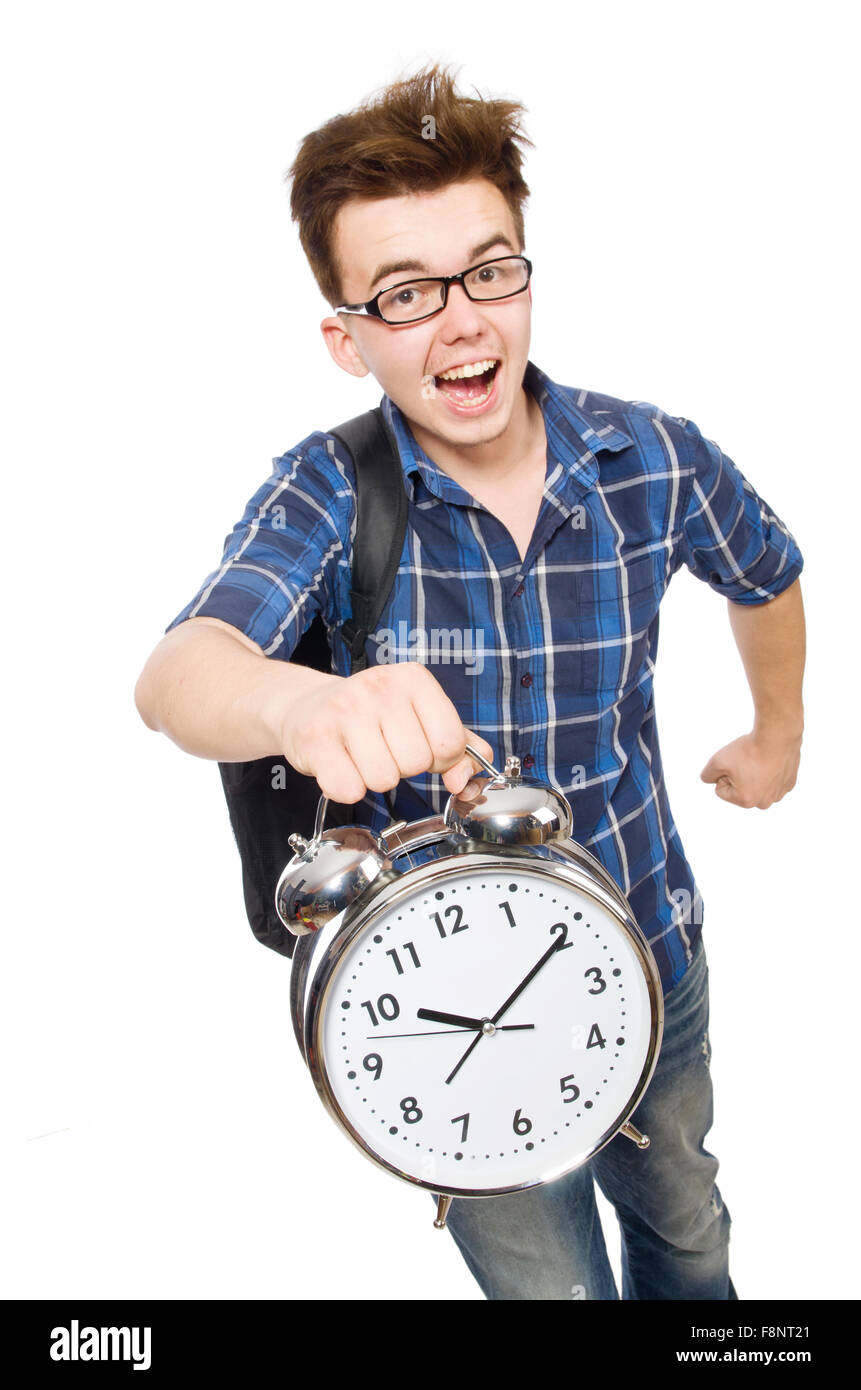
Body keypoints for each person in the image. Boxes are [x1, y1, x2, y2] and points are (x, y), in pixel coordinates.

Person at [135, 66, 805, 1300]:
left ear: (527, 276)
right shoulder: (327, 494)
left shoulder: (652, 458)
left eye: (489, 269)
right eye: (406, 292)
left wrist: (779, 734)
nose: (463, 322)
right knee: (550, 1293)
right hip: (443, 1036)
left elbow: (765, 570)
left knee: (690, 1234)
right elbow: (179, 672)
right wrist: (298, 701)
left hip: (647, 944)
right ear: (346, 337)